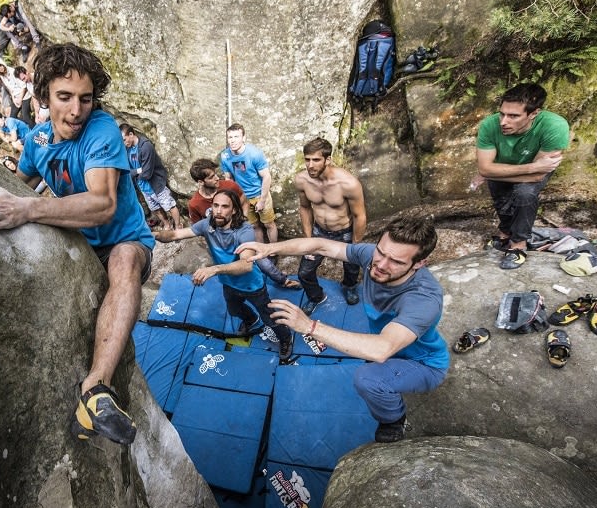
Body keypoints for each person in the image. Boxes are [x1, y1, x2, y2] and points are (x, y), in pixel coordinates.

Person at [0, 43, 153, 446]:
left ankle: (96, 390)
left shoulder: (101, 129)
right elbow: (19, 185)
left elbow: (103, 203)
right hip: (79, 243)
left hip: (122, 239)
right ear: (43, 97)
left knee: (125, 262)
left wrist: (29, 209)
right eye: (64, 97)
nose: (75, 110)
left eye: (85, 99)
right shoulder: (37, 141)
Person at [239, 217, 449, 443]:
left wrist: (309, 326)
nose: (380, 264)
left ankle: (393, 420)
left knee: (367, 378)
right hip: (391, 345)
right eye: (381, 252)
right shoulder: (373, 256)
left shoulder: (424, 299)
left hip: (423, 363)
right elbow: (321, 245)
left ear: (419, 263)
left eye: (395, 261)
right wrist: (270, 247)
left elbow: (382, 349)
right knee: (370, 362)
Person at [155, 190, 294, 361]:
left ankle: (286, 337)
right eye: (215, 205)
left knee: (270, 318)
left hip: (252, 286)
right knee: (234, 310)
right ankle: (251, 320)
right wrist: (151, 234)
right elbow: (176, 234)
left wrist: (213, 269)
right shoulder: (206, 224)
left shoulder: (244, 231)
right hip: (229, 283)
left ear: (234, 210)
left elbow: (246, 265)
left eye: (225, 206)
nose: (219, 211)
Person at [476, 83, 569, 270]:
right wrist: (530, 167)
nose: (503, 121)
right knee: (498, 189)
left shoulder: (555, 126)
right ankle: (505, 231)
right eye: (502, 113)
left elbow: (536, 176)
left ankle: (518, 245)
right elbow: (485, 169)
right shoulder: (489, 125)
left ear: (533, 114)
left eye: (513, 116)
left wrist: (492, 171)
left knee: (524, 192)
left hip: (520, 171)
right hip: (519, 167)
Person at [188, 158, 299, 289]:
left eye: (216, 174)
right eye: (212, 177)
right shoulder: (194, 204)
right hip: (221, 243)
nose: (217, 178)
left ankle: (283, 280)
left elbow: (244, 200)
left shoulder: (229, 186)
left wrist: (243, 219)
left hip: (239, 235)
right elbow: (199, 228)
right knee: (232, 271)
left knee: (259, 259)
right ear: (201, 182)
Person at [294, 137, 368, 312]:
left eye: (316, 160)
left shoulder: (348, 184)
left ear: (328, 160)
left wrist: (356, 245)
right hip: (319, 231)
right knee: (304, 272)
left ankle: (349, 287)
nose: (310, 165)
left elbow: (360, 216)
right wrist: (308, 239)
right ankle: (316, 296)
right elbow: (305, 208)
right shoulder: (302, 180)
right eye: (307, 159)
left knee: (351, 266)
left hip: (344, 232)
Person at [219, 123, 278, 244]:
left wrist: (262, 200)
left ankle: (273, 251)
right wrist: (235, 198)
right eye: (230, 137)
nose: (233, 141)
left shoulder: (254, 154)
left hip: (259, 194)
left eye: (236, 137)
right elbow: (228, 178)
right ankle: (260, 251)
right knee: (254, 226)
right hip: (243, 196)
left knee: (269, 224)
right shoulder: (225, 156)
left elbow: (266, 176)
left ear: (243, 138)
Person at [120, 124, 182, 231]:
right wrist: (139, 170)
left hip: (156, 184)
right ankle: (167, 224)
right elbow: (126, 172)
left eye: (124, 139)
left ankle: (178, 226)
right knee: (155, 208)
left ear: (131, 134)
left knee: (169, 205)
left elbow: (147, 173)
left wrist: (134, 173)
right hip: (143, 187)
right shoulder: (127, 150)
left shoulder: (145, 146)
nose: (124, 143)